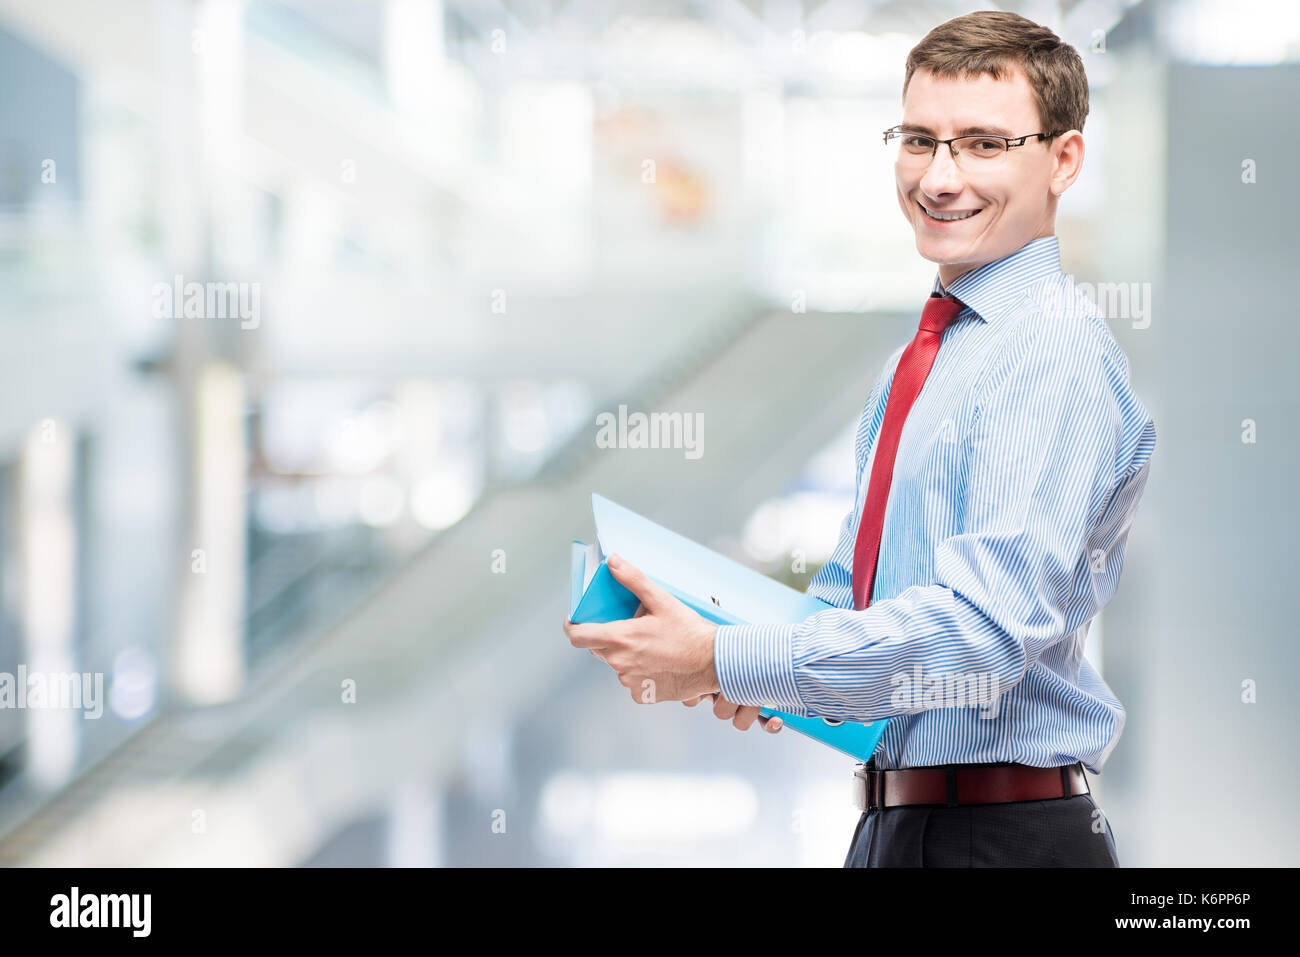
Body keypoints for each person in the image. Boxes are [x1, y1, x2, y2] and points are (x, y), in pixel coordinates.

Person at [564, 9, 1156, 867]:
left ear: (1062, 159)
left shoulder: (1047, 349)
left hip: (994, 836)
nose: (940, 177)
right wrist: (727, 654)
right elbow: (858, 605)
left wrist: (730, 657)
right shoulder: (930, 354)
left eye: (984, 145)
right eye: (919, 140)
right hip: (907, 823)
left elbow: (982, 635)